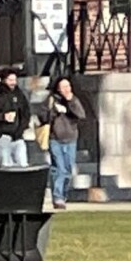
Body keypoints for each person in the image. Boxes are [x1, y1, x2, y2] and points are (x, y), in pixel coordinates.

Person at [45, 73, 90, 205]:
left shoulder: (74, 100)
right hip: (55, 139)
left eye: (68, 86)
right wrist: (54, 112)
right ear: (58, 89)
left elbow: (81, 115)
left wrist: (70, 103)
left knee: (68, 169)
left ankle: (63, 194)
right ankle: (57, 197)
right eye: (63, 87)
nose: (66, 89)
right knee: (59, 168)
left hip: (71, 139)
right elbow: (43, 116)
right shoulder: (51, 100)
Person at [0, 68, 31, 169]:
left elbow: (26, 114)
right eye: (10, 80)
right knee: (6, 166)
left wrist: (21, 129)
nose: (13, 83)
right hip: (1, 136)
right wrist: (3, 117)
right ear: (3, 80)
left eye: (15, 80)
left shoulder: (20, 95)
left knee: (23, 165)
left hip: (18, 137)